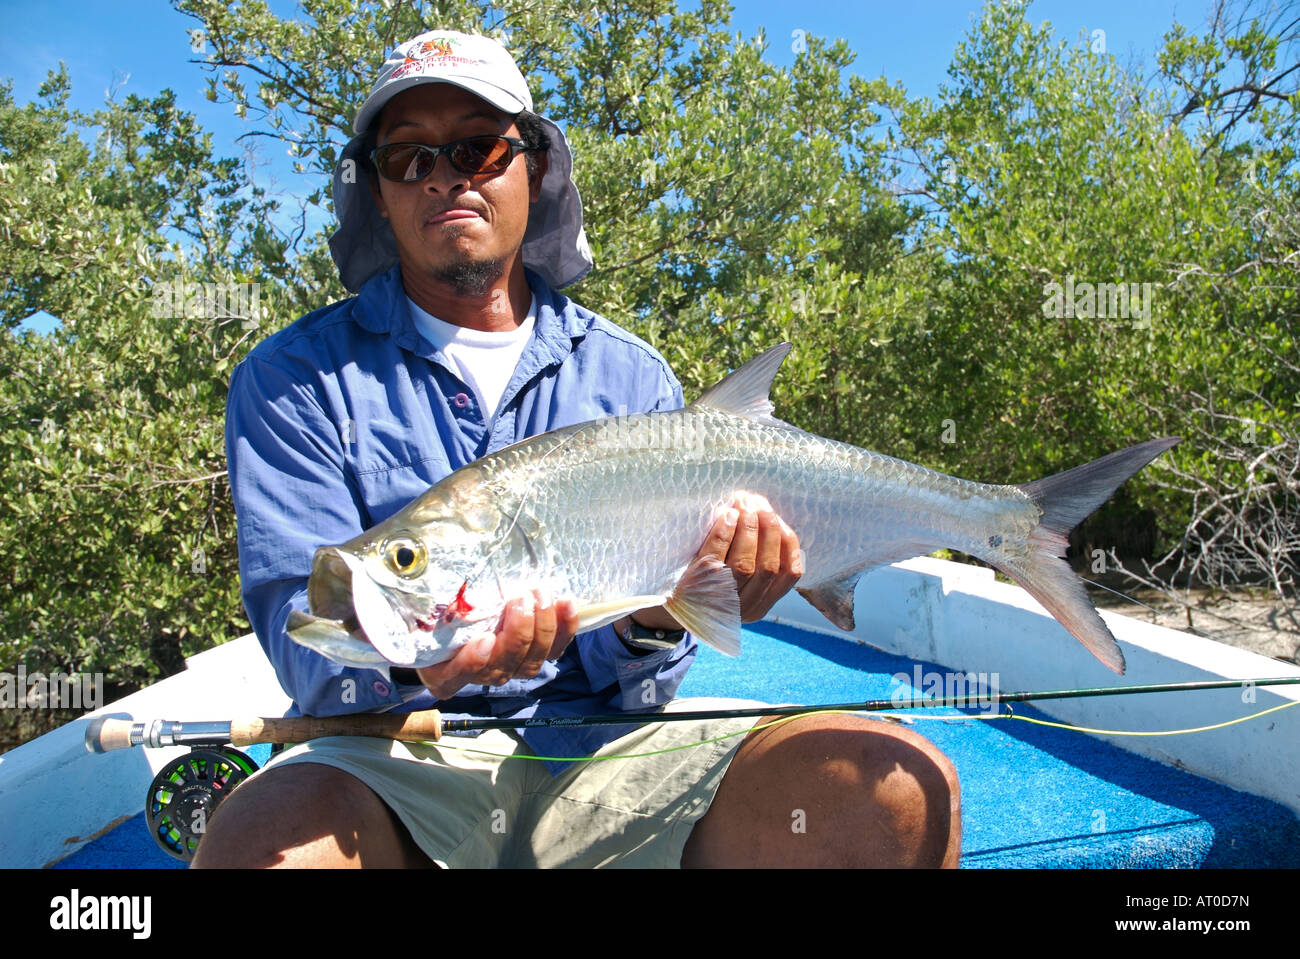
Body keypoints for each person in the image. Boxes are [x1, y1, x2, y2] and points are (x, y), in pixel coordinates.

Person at [194, 29, 960, 869]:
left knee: (891, 793)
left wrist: (658, 614)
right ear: (376, 191)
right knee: (261, 850)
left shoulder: (632, 376)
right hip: (392, 758)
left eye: (478, 148)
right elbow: (307, 642)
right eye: (408, 156)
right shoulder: (290, 380)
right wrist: (421, 670)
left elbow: (645, 681)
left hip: (605, 752)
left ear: (536, 166)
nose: (445, 175)